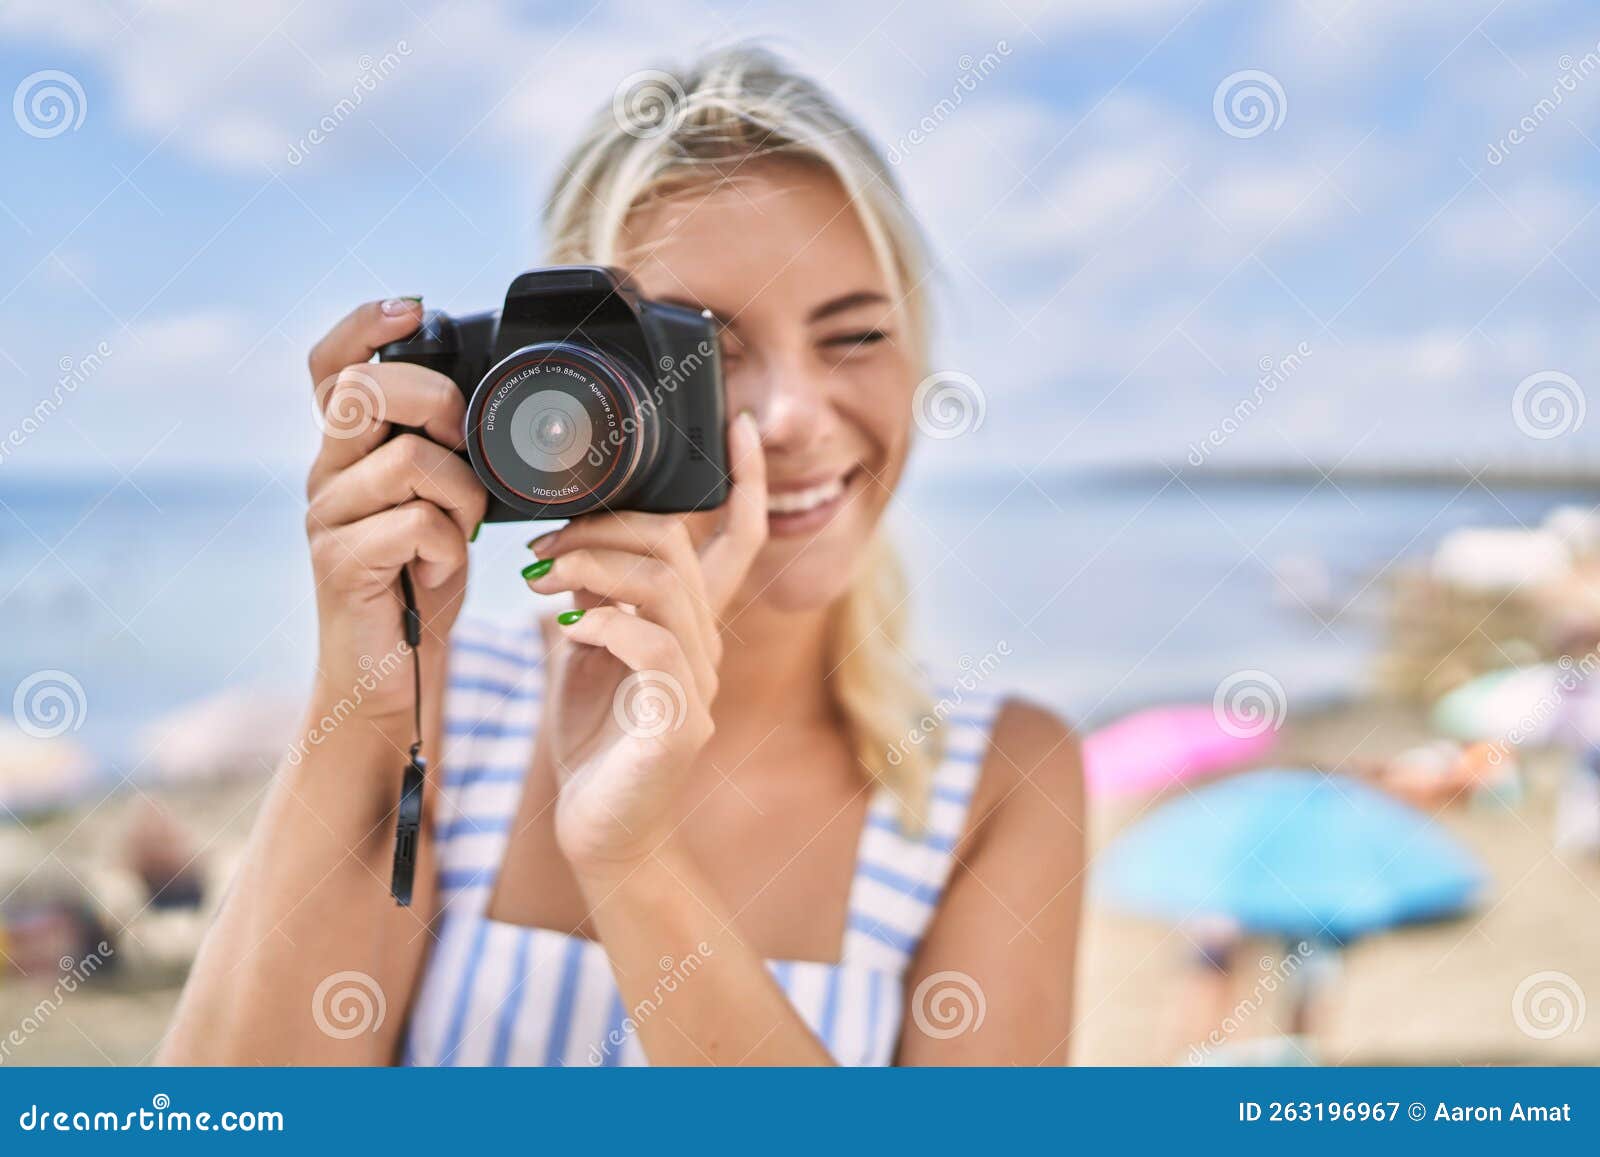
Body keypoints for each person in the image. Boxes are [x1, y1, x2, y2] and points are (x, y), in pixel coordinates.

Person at [164, 45, 1084, 1066]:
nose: (792, 418)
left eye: (855, 335)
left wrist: (630, 859)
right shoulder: (445, 710)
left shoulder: (1002, 781)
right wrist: (359, 684)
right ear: (554, 380)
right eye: (706, 350)